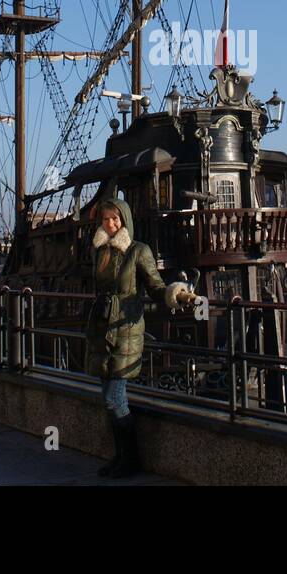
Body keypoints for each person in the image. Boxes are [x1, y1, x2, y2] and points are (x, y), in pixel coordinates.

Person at [85, 198, 194, 478]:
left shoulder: (138, 251)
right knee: (108, 396)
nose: (110, 224)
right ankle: (120, 457)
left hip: (126, 330)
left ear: (124, 221)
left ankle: (131, 460)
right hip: (102, 330)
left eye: (115, 220)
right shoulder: (99, 252)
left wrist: (175, 294)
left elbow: (155, 287)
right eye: (106, 220)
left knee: (114, 396)